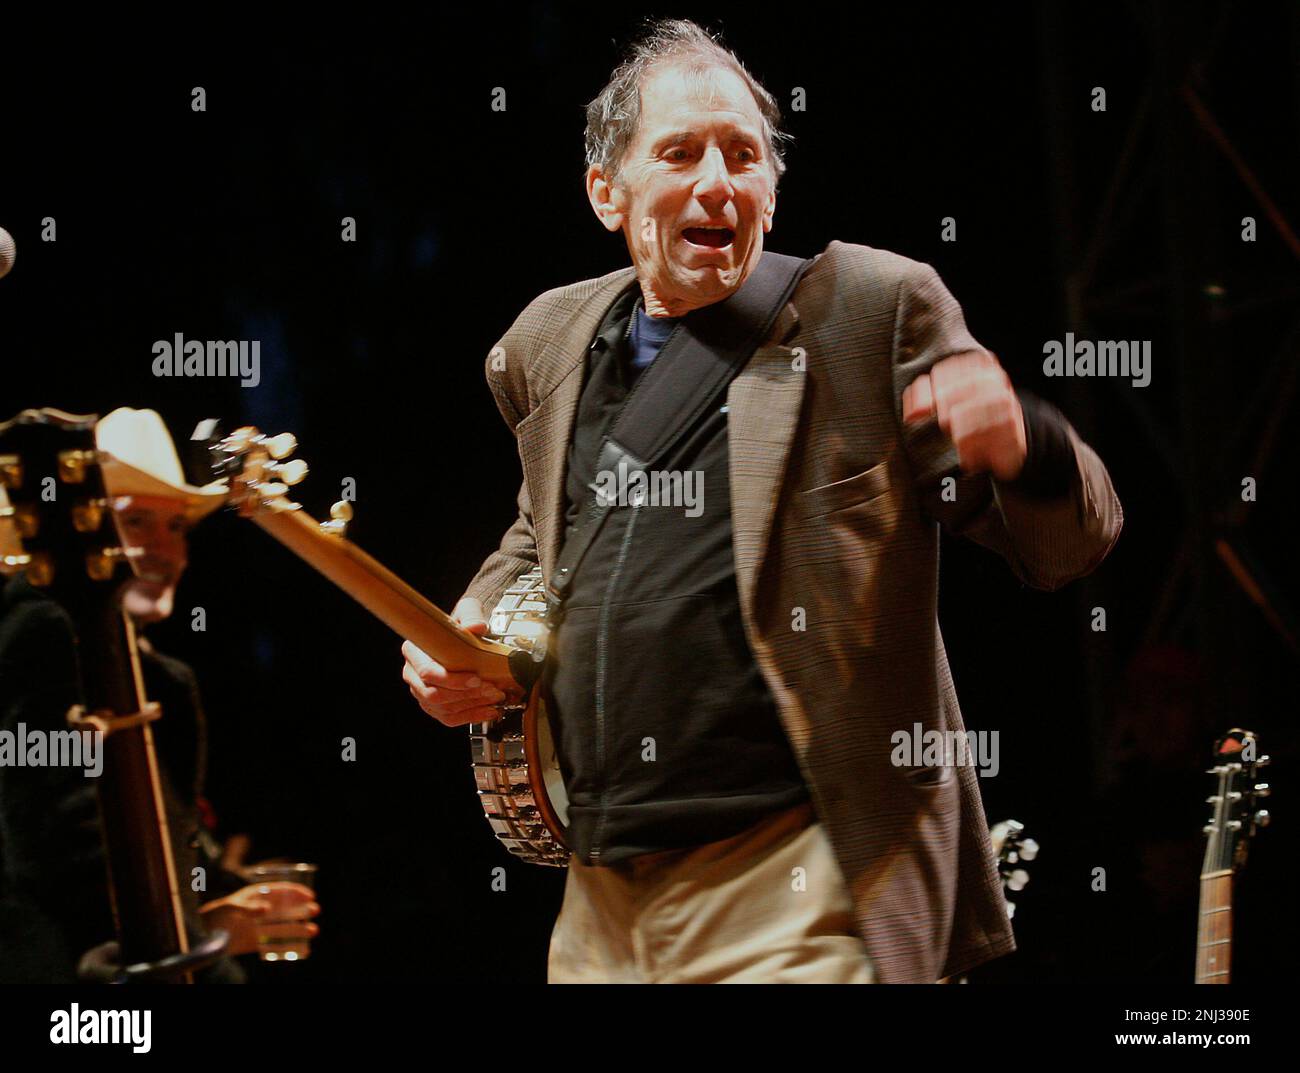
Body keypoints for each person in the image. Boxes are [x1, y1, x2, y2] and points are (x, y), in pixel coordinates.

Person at [402, 19, 1122, 983]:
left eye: (743, 156)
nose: (716, 181)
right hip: (600, 888)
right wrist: (477, 626)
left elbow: (1070, 545)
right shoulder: (548, 340)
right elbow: (544, 531)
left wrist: (1023, 444)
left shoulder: (868, 309)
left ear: (771, 194)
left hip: (798, 869)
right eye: (680, 152)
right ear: (605, 192)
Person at [0, 407, 319, 982]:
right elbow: (66, 857)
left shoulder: (150, 667)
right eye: (136, 523)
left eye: (175, 528)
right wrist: (207, 927)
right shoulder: (45, 631)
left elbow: (158, 833)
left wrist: (228, 883)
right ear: (80, 525)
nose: (165, 551)